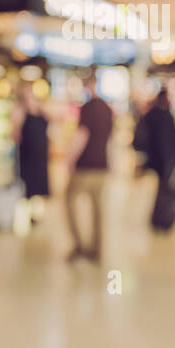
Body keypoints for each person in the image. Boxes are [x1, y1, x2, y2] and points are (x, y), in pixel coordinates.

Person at [63, 72, 112, 262]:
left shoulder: (88, 108)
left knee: (69, 200)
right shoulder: (107, 108)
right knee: (99, 209)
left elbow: (82, 135)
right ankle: (97, 249)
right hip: (102, 165)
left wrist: (70, 158)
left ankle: (79, 245)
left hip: (85, 166)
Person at [139, 89, 175, 228]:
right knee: (165, 187)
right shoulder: (166, 115)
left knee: (162, 187)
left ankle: (159, 217)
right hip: (167, 158)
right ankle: (161, 218)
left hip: (156, 158)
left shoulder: (152, 115)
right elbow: (174, 138)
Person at [12, 84, 50, 222]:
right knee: (26, 185)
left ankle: (36, 214)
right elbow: (14, 135)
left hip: (40, 155)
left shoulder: (42, 110)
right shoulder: (20, 112)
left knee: (39, 186)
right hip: (27, 155)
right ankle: (26, 214)